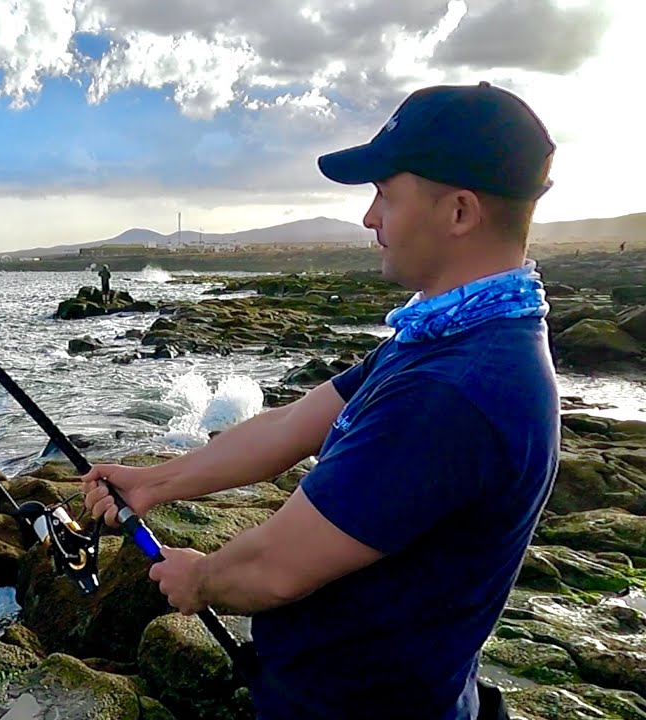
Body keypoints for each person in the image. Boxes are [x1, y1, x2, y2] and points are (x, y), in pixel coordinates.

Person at [83, 82, 559, 720]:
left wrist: (200, 579)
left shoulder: (455, 389)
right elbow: (290, 425)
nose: (370, 219)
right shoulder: (448, 336)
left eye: (385, 194)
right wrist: (152, 482)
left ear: (460, 212)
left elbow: (278, 566)